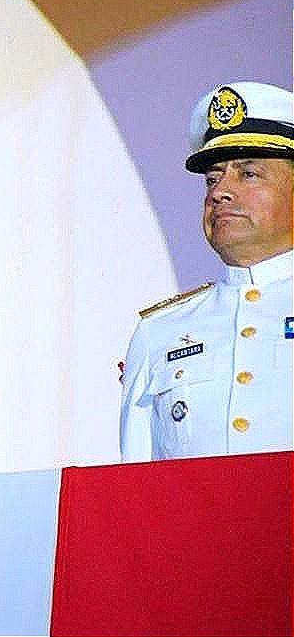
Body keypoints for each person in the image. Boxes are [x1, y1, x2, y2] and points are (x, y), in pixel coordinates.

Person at [120, 82, 293, 461]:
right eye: (213, 179)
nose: (219, 192)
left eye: (248, 174)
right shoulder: (159, 333)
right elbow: (137, 486)